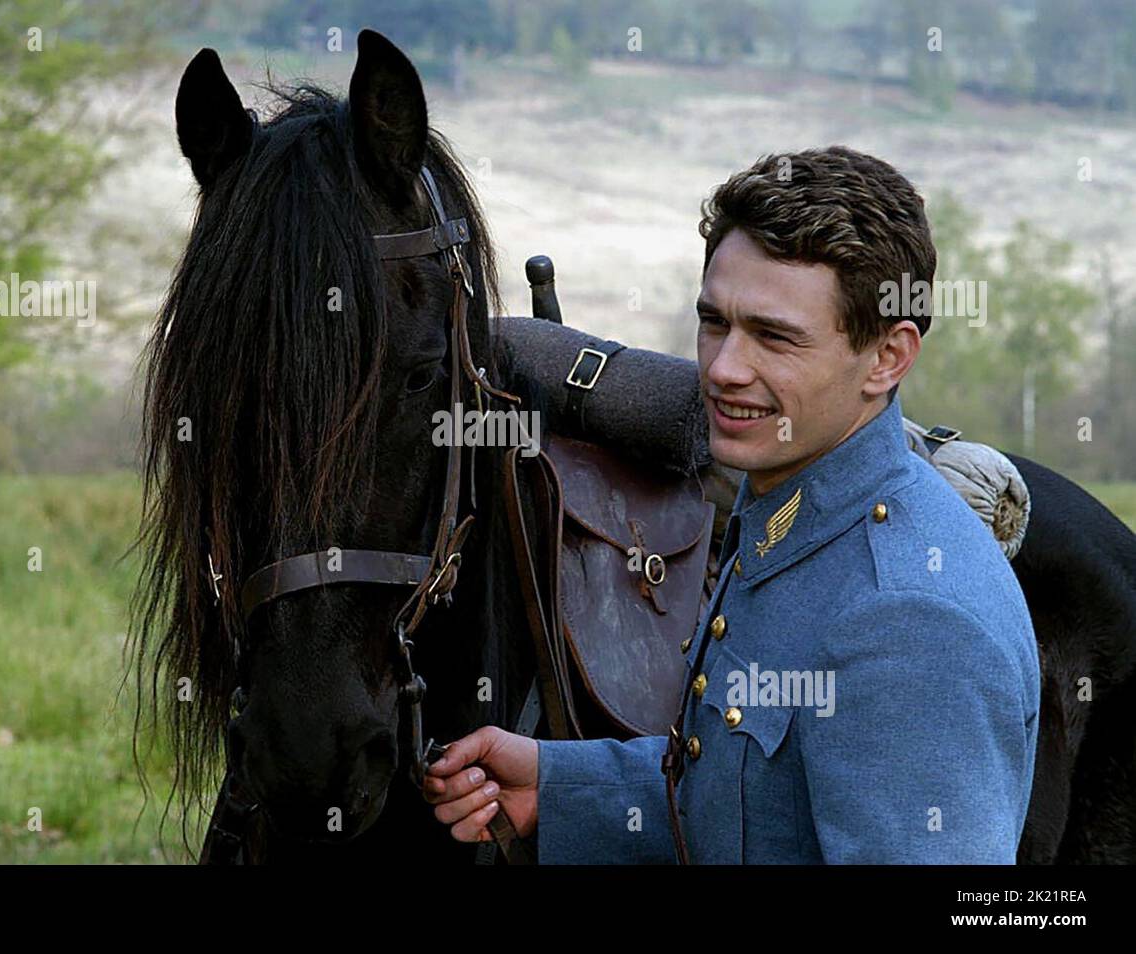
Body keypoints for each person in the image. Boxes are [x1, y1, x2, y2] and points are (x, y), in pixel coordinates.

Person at [422, 146, 1040, 864]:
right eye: (715, 322)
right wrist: (557, 787)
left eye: (774, 336)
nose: (722, 369)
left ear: (887, 357)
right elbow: (747, 810)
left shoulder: (909, 617)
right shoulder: (787, 515)